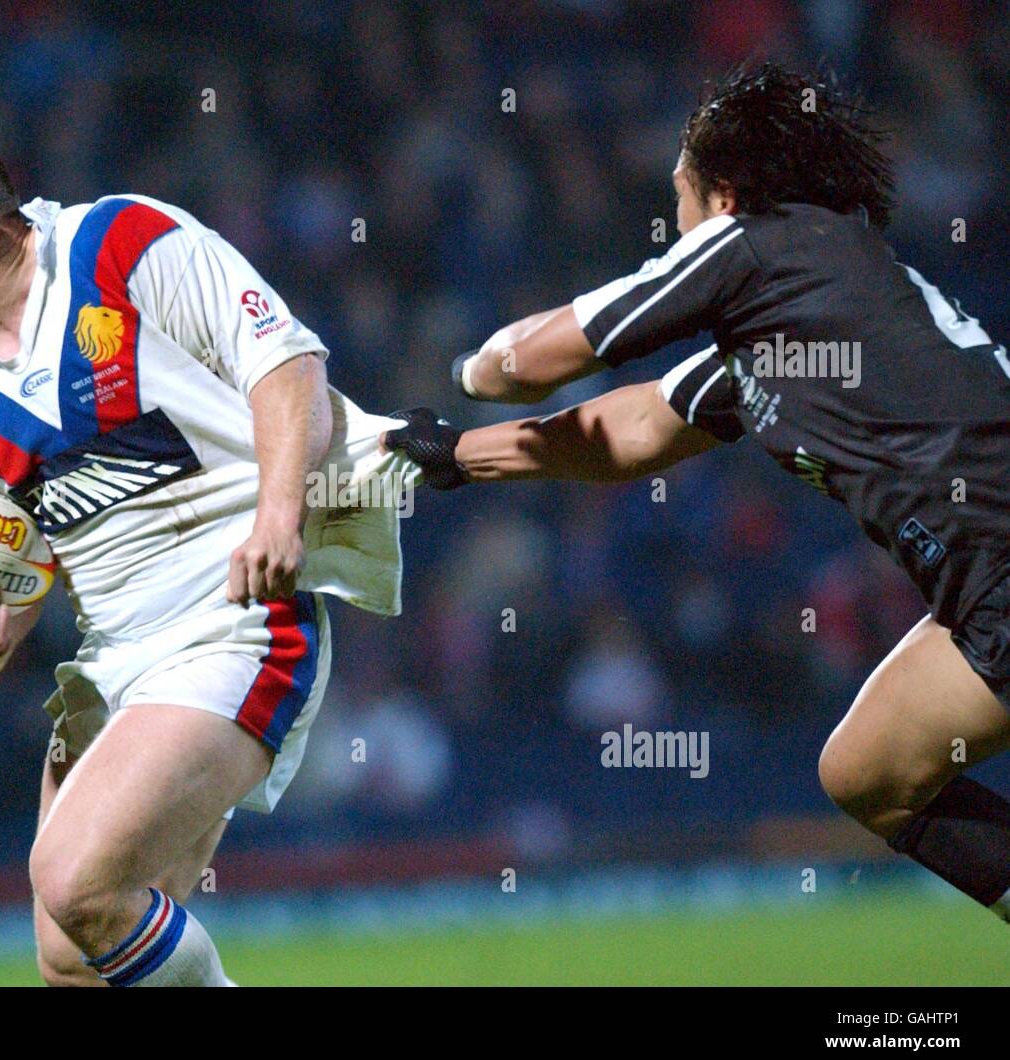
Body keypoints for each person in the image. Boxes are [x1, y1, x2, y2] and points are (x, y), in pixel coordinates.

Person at [386, 62, 1010, 922]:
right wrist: (454, 456)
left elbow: (527, 364)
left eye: (676, 193)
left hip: (998, 564)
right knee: (868, 772)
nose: (672, 222)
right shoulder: (800, 308)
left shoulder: (752, 245)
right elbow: (638, 429)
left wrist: (464, 365)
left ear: (719, 196)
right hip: (986, 586)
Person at [0, 120, 415, 985]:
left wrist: (278, 512)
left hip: (236, 619)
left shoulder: (121, 243)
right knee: (71, 959)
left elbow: (287, 367)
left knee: (73, 878)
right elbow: (21, 568)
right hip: (113, 656)